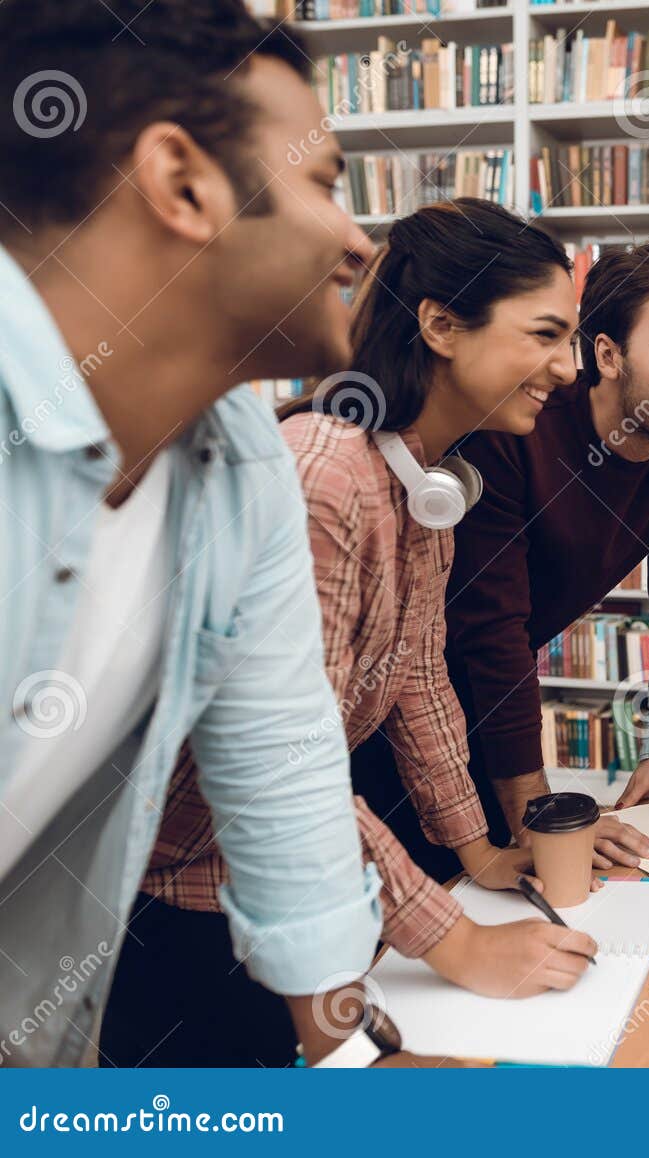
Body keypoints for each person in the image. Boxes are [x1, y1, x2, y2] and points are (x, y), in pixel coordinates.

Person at [102, 201, 609, 1066]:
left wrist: (478, 849)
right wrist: (454, 939)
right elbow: (285, 759)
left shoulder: (429, 478)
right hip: (185, 904)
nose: (568, 370)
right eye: (546, 335)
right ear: (442, 327)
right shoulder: (325, 474)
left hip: (271, 889)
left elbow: (418, 678)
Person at [0, 0, 389, 1066]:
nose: (360, 241)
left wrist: (353, 1071)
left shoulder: (240, 459)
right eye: (323, 183)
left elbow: (280, 758)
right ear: (182, 182)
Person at [437, 239, 649, 846]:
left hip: (485, 701)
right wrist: (537, 813)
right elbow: (492, 630)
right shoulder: (518, 425)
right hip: (417, 697)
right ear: (609, 353)